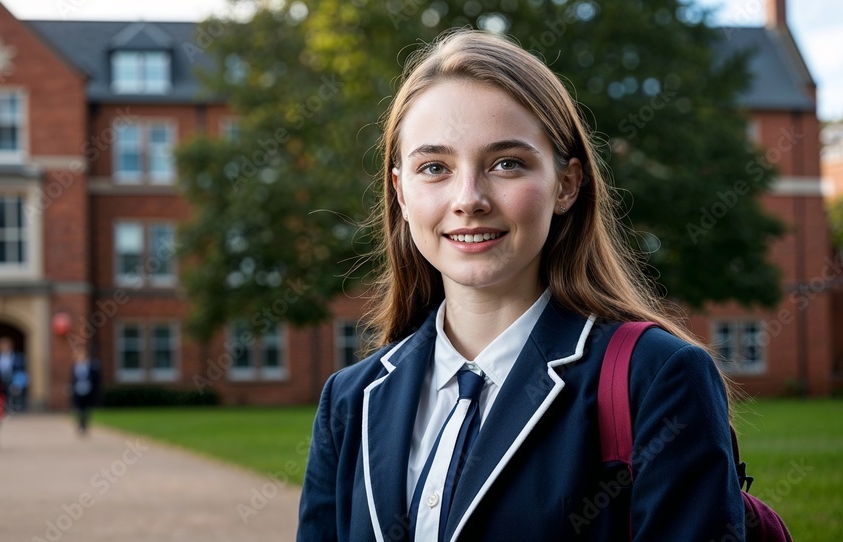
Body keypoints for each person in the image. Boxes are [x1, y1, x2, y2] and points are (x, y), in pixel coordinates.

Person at [297, 30, 745, 541]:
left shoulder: (658, 377)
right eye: (435, 167)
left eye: (507, 163)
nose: (469, 199)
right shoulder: (350, 401)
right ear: (400, 192)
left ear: (567, 184)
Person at [70, 344, 101, 435]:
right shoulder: (75, 366)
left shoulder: (91, 365)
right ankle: (80, 424)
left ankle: (85, 425)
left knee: (86, 409)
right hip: (78, 390)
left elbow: (96, 379)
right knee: (79, 409)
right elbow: (72, 379)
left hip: (88, 390)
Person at [0, 337, 27, 412]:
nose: (4, 347)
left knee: (16, 393)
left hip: (14, 378)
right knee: (2, 394)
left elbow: (21, 368)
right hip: (0, 379)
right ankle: (4, 408)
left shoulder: (18, 356)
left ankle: (18, 408)